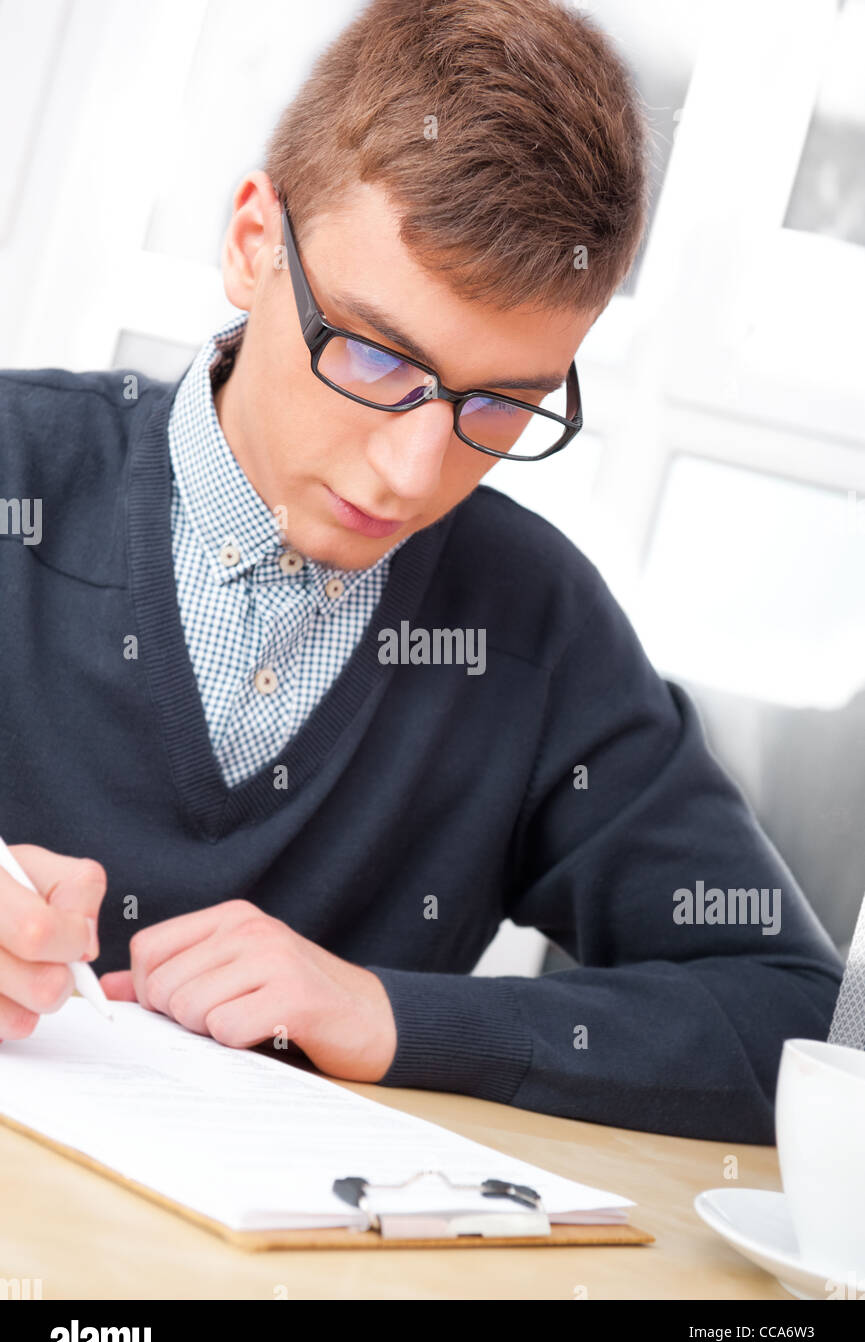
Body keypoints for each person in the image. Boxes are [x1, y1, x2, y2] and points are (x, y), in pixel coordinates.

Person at [0, 0, 842, 1142]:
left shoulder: (536, 630)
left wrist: (387, 1015)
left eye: (503, 402)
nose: (411, 470)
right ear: (254, 243)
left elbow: (788, 1015)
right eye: (372, 353)